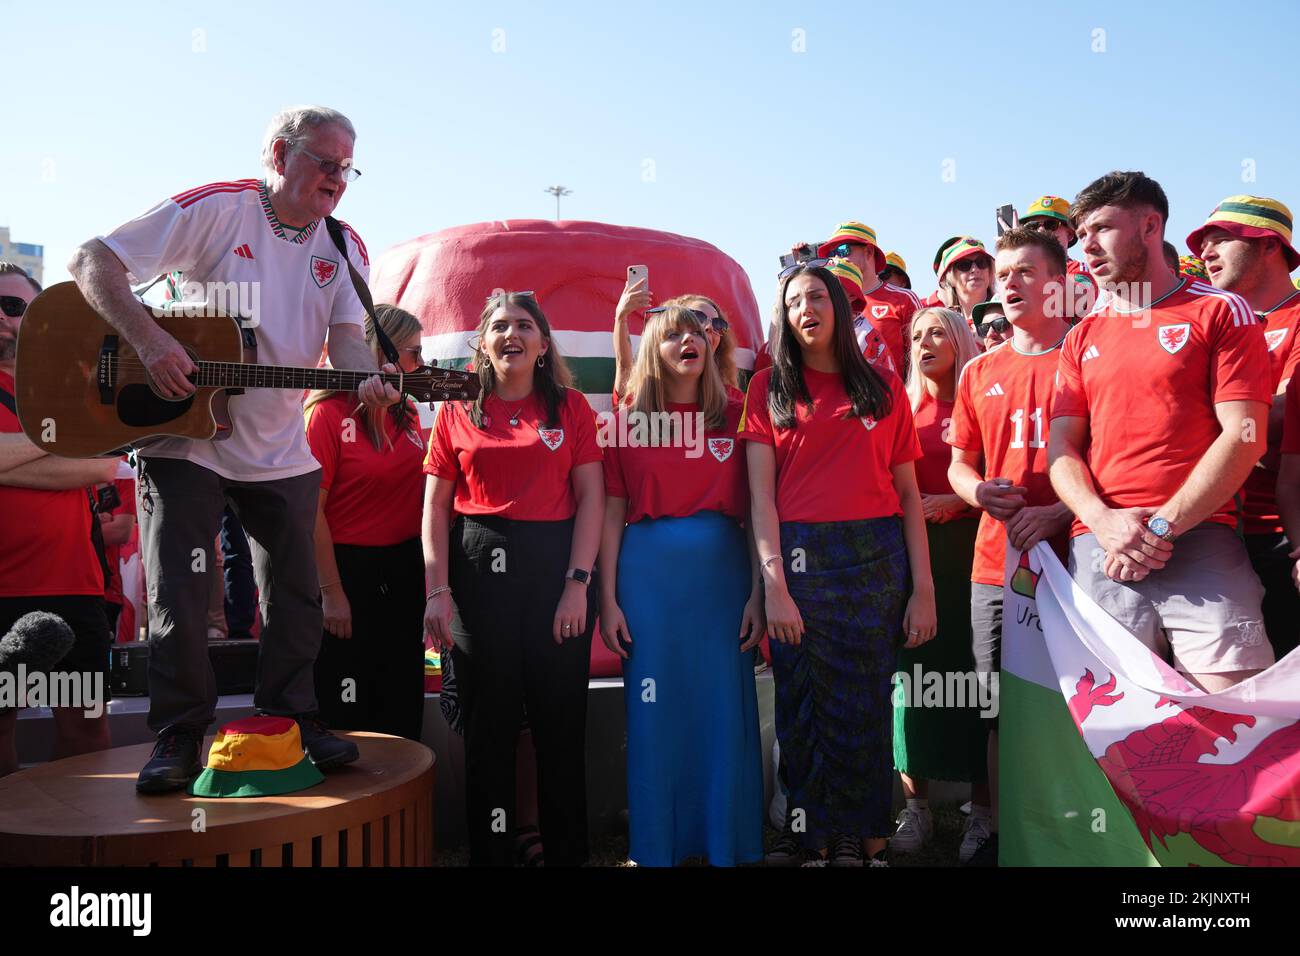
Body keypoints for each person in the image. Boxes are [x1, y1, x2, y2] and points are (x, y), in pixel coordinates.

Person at [67, 105, 391, 792]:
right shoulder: (216, 209)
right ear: (280, 153)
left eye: (347, 168)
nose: (338, 178)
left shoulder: (345, 245)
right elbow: (91, 258)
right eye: (325, 162)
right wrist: (151, 343)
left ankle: (292, 719)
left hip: (281, 447)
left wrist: (371, 379)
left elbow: (350, 342)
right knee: (181, 595)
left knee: (298, 595)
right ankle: (180, 732)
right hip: (186, 439)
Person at [740, 262, 936, 867]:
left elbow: (908, 496)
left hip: (876, 562)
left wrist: (923, 589)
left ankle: (866, 840)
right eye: (794, 300)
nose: (807, 308)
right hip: (798, 563)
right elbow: (760, 500)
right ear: (785, 317)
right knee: (803, 706)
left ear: (841, 310)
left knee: (866, 705)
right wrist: (774, 587)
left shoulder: (881, 386)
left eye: (818, 297)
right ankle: (813, 838)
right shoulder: (766, 389)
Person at [1049, 171, 1274, 693]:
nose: (1087, 246)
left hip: (1199, 540)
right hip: (1102, 550)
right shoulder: (1080, 336)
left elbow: (1245, 435)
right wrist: (1103, 521)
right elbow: (1061, 449)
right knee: (1114, 742)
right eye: (1081, 233)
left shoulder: (1220, 310)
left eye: (1102, 228)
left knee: (1237, 731)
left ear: (1150, 226)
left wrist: (1161, 528)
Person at [422, 291, 603, 867]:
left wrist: (577, 583)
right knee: (489, 731)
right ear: (483, 344)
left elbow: (593, 497)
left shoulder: (571, 408)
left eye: (525, 325)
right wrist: (437, 590)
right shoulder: (456, 410)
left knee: (559, 729)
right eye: (499, 326)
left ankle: (566, 853)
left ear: (544, 345)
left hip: (557, 573)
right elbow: (435, 509)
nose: (512, 335)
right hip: (479, 573)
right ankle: (493, 854)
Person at [599, 303, 764, 866]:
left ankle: (726, 844)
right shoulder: (626, 418)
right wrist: (606, 600)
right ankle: (658, 846)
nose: (688, 341)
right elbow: (610, 510)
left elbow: (758, 511)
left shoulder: (740, 413)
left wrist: (760, 594)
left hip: (723, 585)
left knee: (722, 712)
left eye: (698, 331)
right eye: (672, 335)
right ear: (653, 349)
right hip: (646, 588)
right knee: (654, 716)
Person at [948, 227, 1076, 866]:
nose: (1011, 284)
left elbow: (1109, 464)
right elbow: (958, 465)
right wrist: (977, 494)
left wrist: (1058, 510)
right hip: (995, 568)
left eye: (1027, 271)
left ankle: (1076, 832)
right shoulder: (978, 370)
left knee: (1076, 705)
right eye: (1005, 273)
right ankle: (999, 832)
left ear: (1060, 281)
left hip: (1078, 564)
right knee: (995, 706)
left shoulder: (1088, 355)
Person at [0, 263, 119, 777]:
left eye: (12, 307)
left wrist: (15, 458)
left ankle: (79, 847)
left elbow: (104, 462)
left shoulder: (71, 384)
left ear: (37, 317)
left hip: (72, 586)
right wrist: (59, 441)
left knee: (85, 728)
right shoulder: (68, 406)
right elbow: (84, 456)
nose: (0, 319)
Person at [304, 304, 429, 741]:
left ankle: (404, 806)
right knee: (350, 710)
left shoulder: (407, 413)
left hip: (404, 569)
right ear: (382, 353)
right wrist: (332, 593)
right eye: (413, 351)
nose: (420, 362)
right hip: (347, 571)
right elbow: (310, 513)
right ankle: (352, 809)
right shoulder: (328, 413)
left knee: (401, 703)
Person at [891, 305, 987, 859]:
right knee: (914, 685)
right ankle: (916, 810)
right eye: (917, 335)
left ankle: (982, 812)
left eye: (937, 333)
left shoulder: (981, 401)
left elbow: (1000, 476)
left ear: (959, 341)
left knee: (977, 684)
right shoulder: (900, 409)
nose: (925, 342)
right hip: (911, 563)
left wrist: (954, 501)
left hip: (973, 559)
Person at [1189, 195, 1300, 661]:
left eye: (1222, 240)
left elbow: (1278, 414)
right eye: (1202, 244)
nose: (1206, 253)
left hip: (1280, 536)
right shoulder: (1217, 320)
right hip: (1209, 528)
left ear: (1270, 245)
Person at [816, 221, 920, 370]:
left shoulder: (904, 299)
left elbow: (919, 360)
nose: (837, 258)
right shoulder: (828, 303)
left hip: (893, 391)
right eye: (833, 254)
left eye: (843, 250)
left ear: (869, 252)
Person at [613, 282, 740, 400]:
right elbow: (624, 366)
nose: (708, 327)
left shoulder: (733, 400)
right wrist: (621, 318)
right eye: (698, 318)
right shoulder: (641, 396)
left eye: (718, 324)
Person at [1020, 195, 1097, 320]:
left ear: (1070, 234)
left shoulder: (1079, 269)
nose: (1040, 230)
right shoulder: (1016, 271)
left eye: (1051, 224)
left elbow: (1079, 301)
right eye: (1033, 226)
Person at [934, 237, 996, 325]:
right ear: (950, 278)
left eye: (981, 262)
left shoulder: (1007, 311)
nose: (975, 269)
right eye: (964, 265)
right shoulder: (940, 323)